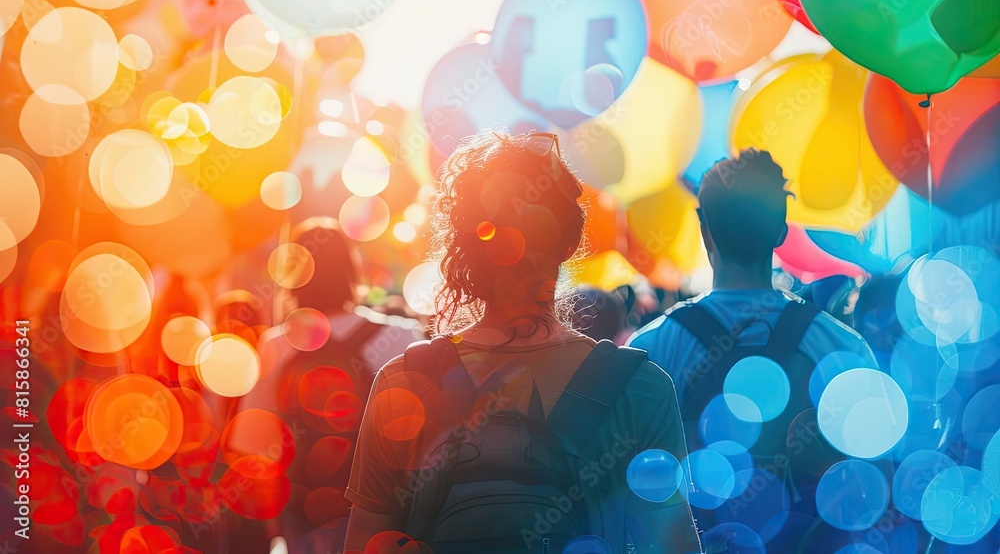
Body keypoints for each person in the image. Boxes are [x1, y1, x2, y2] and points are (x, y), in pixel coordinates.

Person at [345, 131, 701, 554]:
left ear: (466, 244)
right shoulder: (639, 387)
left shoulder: (405, 383)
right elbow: (671, 545)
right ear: (570, 244)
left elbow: (366, 543)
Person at [627, 149, 879, 547]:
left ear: (703, 229)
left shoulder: (650, 350)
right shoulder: (843, 346)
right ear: (781, 231)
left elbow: (636, 491)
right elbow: (871, 485)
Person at [236, 217, 425, 553]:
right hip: (384, 507)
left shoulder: (278, 346)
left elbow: (251, 444)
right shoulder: (399, 336)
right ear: (351, 270)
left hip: (304, 512)